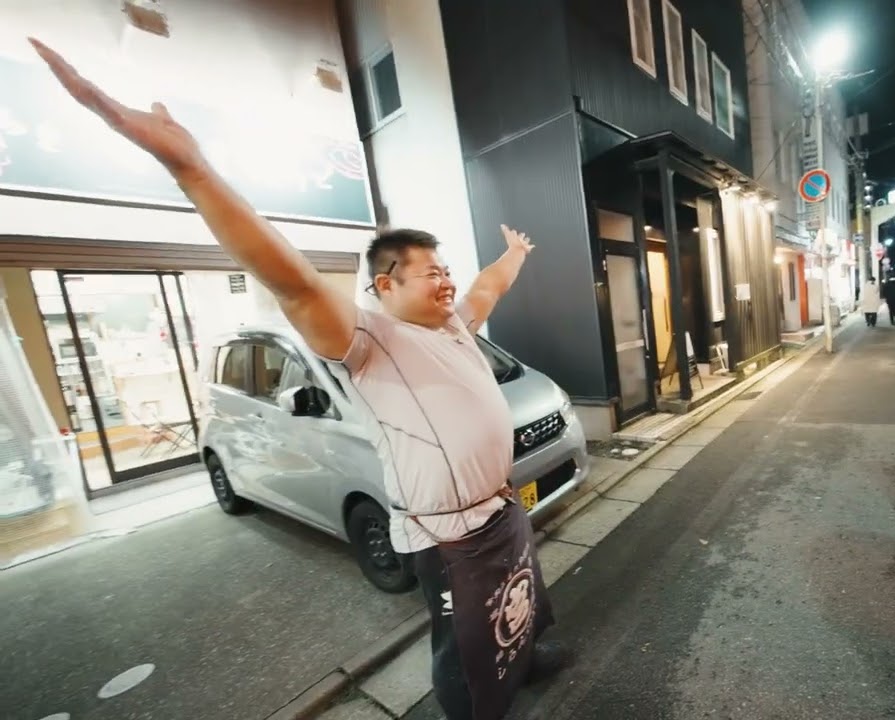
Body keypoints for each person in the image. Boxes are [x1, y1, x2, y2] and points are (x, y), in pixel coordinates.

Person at [28, 38, 564, 720]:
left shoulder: (453, 325)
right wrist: (192, 169)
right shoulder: (367, 340)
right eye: (430, 271)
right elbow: (292, 279)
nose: (446, 279)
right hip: (448, 535)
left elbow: (488, 287)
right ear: (384, 284)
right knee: (460, 643)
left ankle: (529, 657)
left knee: (521, 595)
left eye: (444, 268)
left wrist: (513, 253)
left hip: (498, 510)